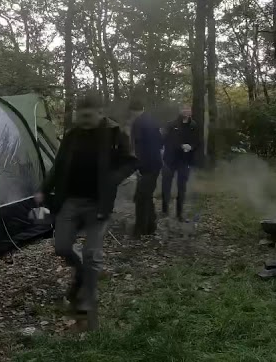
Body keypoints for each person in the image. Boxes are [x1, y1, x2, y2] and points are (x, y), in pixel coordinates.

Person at [35, 93, 136, 329]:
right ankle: (82, 273)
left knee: (92, 253)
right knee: (62, 246)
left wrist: (113, 178)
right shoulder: (72, 135)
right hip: (71, 200)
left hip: (98, 203)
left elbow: (131, 162)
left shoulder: (115, 134)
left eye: (88, 117)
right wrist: (43, 189)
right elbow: (58, 166)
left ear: (100, 113)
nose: (84, 121)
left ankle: (88, 300)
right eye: (81, 117)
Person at [128, 99, 163, 237]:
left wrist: (139, 167)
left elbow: (140, 147)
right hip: (155, 164)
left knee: (141, 198)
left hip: (147, 166)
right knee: (146, 196)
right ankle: (150, 226)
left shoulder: (138, 123)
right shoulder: (153, 121)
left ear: (132, 111)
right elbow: (160, 142)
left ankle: (140, 230)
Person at [161, 103, 200, 223]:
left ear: (191, 111)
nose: (186, 111)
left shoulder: (194, 126)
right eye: (184, 109)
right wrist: (180, 146)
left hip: (184, 160)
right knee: (166, 185)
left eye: (188, 109)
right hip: (170, 160)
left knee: (182, 188)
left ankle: (179, 214)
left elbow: (198, 141)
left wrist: (191, 147)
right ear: (180, 110)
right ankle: (165, 210)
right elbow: (167, 141)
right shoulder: (171, 124)